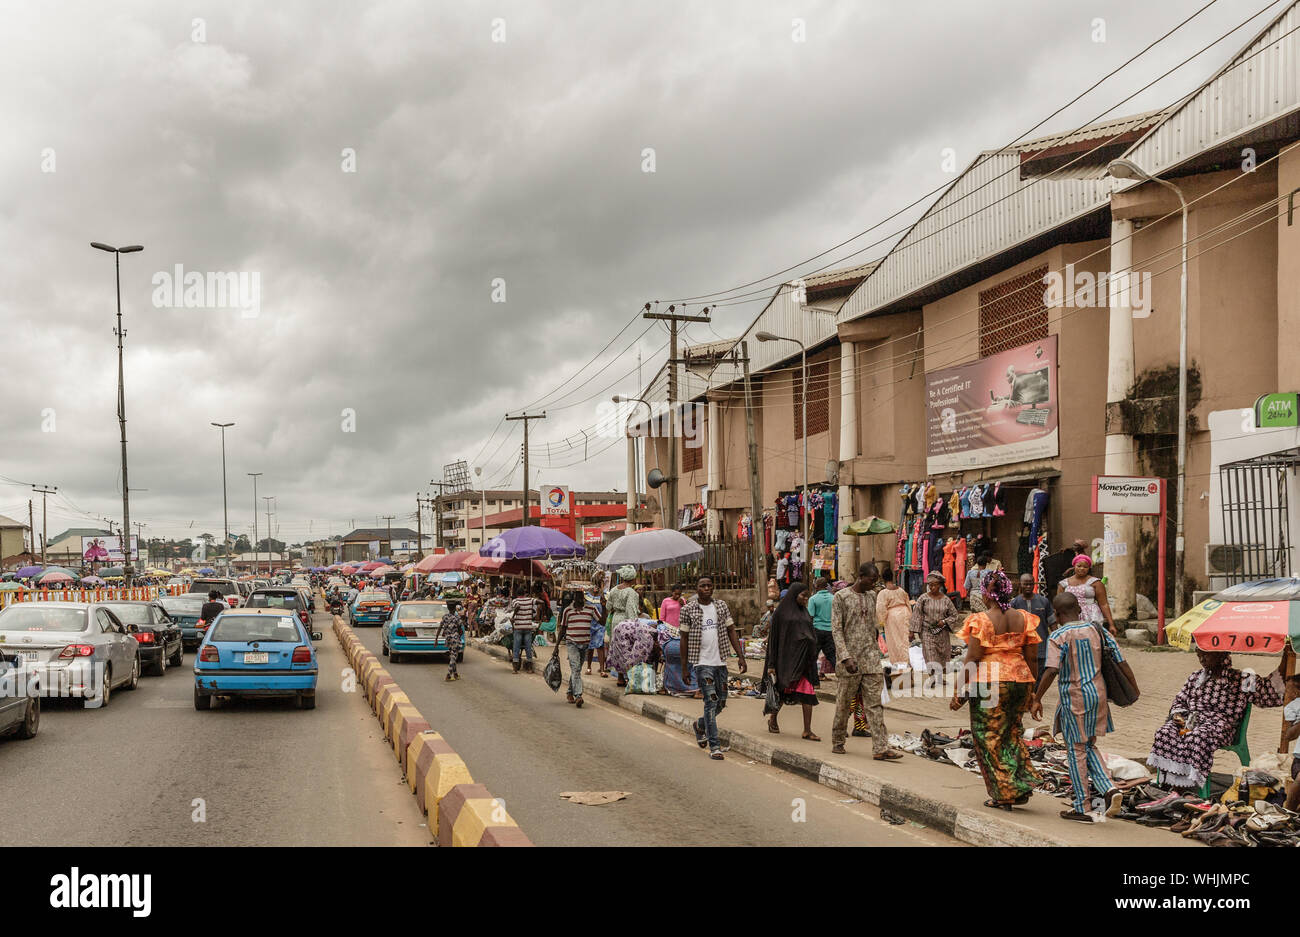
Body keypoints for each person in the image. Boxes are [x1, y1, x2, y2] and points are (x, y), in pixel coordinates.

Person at [1030, 592, 1133, 821]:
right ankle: (1110, 788)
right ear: (1078, 608)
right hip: (1098, 694)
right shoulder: (1098, 630)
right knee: (1087, 745)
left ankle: (1082, 806)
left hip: (1074, 698)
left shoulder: (1058, 636)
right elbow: (1120, 659)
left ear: (1056, 614)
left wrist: (1037, 698)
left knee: (1075, 750)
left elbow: (1051, 670)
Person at [952, 569, 1041, 811]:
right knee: (1012, 733)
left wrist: (959, 689)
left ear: (985, 593)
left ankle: (1004, 792)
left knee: (987, 736)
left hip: (989, 682)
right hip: (1020, 679)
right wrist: (1033, 690)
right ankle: (1020, 785)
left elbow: (972, 657)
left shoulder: (980, 620)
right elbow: (1032, 658)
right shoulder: (1024, 617)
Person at [1146, 648, 1286, 790]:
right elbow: (1179, 702)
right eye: (1199, 655)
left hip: (1220, 726)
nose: (1202, 659)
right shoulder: (1195, 677)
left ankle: (1188, 788)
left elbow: (1268, 693)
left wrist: (1286, 658)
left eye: (1206, 655)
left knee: (1197, 737)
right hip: (1191, 720)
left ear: (1220, 655)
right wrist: (1182, 722)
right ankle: (1169, 784)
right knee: (1165, 732)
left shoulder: (1243, 679)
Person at [830, 563, 902, 759]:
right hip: (850, 661)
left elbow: (873, 625)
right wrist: (845, 657)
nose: (875, 583)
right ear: (861, 576)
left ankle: (880, 748)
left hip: (871, 658)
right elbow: (836, 629)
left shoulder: (872, 596)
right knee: (844, 703)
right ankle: (838, 740)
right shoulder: (841, 597)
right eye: (872, 579)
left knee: (875, 704)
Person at [679, 575, 746, 761]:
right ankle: (714, 746)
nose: (706, 588)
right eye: (702, 586)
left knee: (721, 702)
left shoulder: (721, 606)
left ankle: (700, 725)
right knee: (711, 701)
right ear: (697, 588)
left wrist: (740, 656)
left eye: (709, 585)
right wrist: (684, 668)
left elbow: (731, 631)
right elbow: (683, 638)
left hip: (721, 662)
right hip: (701, 663)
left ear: (713, 588)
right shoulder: (688, 609)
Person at [764, 583, 821, 739]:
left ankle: (807, 730)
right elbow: (774, 640)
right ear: (794, 595)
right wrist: (771, 665)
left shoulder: (805, 613)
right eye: (803, 596)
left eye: (807, 596)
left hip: (804, 661)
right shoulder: (780, 614)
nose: (805, 599)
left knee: (808, 692)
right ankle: (773, 719)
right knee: (783, 692)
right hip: (786, 661)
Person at [910, 572, 959, 687]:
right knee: (930, 653)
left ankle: (940, 678)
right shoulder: (923, 598)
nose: (932, 587)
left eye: (934, 585)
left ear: (940, 585)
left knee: (942, 654)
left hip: (942, 632)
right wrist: (912, 631)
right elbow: (917, 615)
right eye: (930, 585)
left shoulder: (946, 600)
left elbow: (954, 615)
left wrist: (945, 621)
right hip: (927, 631)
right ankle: (932, 678)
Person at [1059, 555, 1118, 637]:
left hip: (1092, 616)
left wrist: (1111, 624)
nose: (1082, 568)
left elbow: (1104, 604)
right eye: (1079, 566)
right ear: (1074, 566)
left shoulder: (1096, 582)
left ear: (1089, 568)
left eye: (1085, 567)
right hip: (1071, 616)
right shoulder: (1064, 584)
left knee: (1092, 639)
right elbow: (1059, 604)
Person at [557, 591, 598, 707]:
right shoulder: (567, 611)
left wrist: (604, 606)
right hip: (572, 643)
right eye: (578, 596)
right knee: (575, 668)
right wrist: (556, 647)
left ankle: (570, 691)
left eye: (582, 597)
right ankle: (578, 695)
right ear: (574, 597)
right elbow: (563, 629)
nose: (580, 599)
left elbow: (602, 621)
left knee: (577, 669)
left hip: (584, 644)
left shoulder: (591, 609)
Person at [875, 568, 912, 679]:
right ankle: (906, 665)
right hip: (904, 614)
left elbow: (881, 608)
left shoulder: (883, 593)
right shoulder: (901, 590)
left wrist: (881, 620)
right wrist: (910, 616)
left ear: (882, 578)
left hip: (892, 617)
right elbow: (908, 603)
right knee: (904, 641)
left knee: (894, 642)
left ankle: (899, 667)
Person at [508, 583, 538, 674]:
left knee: (516, 647)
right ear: (524, 593)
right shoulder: (530, 600)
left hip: (518, 627)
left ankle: (515, 669)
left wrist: (513, 616)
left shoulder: (515, 601)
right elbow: (541, 602)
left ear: (517, 594)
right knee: (528, 647)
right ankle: (529, 668)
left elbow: (517, 606)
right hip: (528, 627)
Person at [807, 577, 835, 671]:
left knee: (813, 657)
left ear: (816, 586)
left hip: (817, 630)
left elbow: (810, 616)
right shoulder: (834, 598)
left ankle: (815, 682)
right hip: (831, 630)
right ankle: (841, 677)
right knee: (832, 656)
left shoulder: (813, 599)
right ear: (827, 586)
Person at [440, 600, 466, 682]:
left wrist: (436, 639)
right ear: (455, 609)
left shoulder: (445, 617)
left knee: (452, 655)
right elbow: (460, 629)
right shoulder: (457, 617)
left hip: (448, 639)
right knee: (454, 657)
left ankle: (455, 674)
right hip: (455, 638)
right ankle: (448, 674)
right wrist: (460, 634)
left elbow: (440, 628)